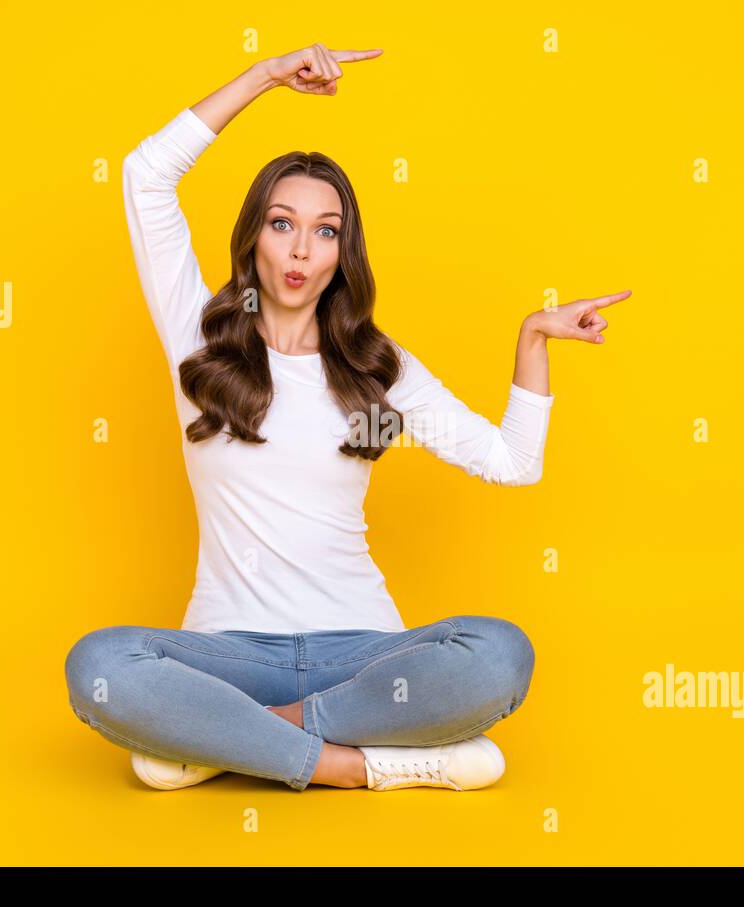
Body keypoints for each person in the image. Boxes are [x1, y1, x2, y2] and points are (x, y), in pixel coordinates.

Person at [64, 44, 632, 792]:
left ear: (344, 250)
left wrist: (532, 336)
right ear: (253, 237)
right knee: (98, 666)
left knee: (498, 653)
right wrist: (267, 76)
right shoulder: (199, 338)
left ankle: (229, 740)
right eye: (282, 223)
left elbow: (512, 462)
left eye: (325, 230)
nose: (302, 249)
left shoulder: (375, 365)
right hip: (229, 656)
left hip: (365, 654)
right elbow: (147, 174)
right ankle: (361, 767)